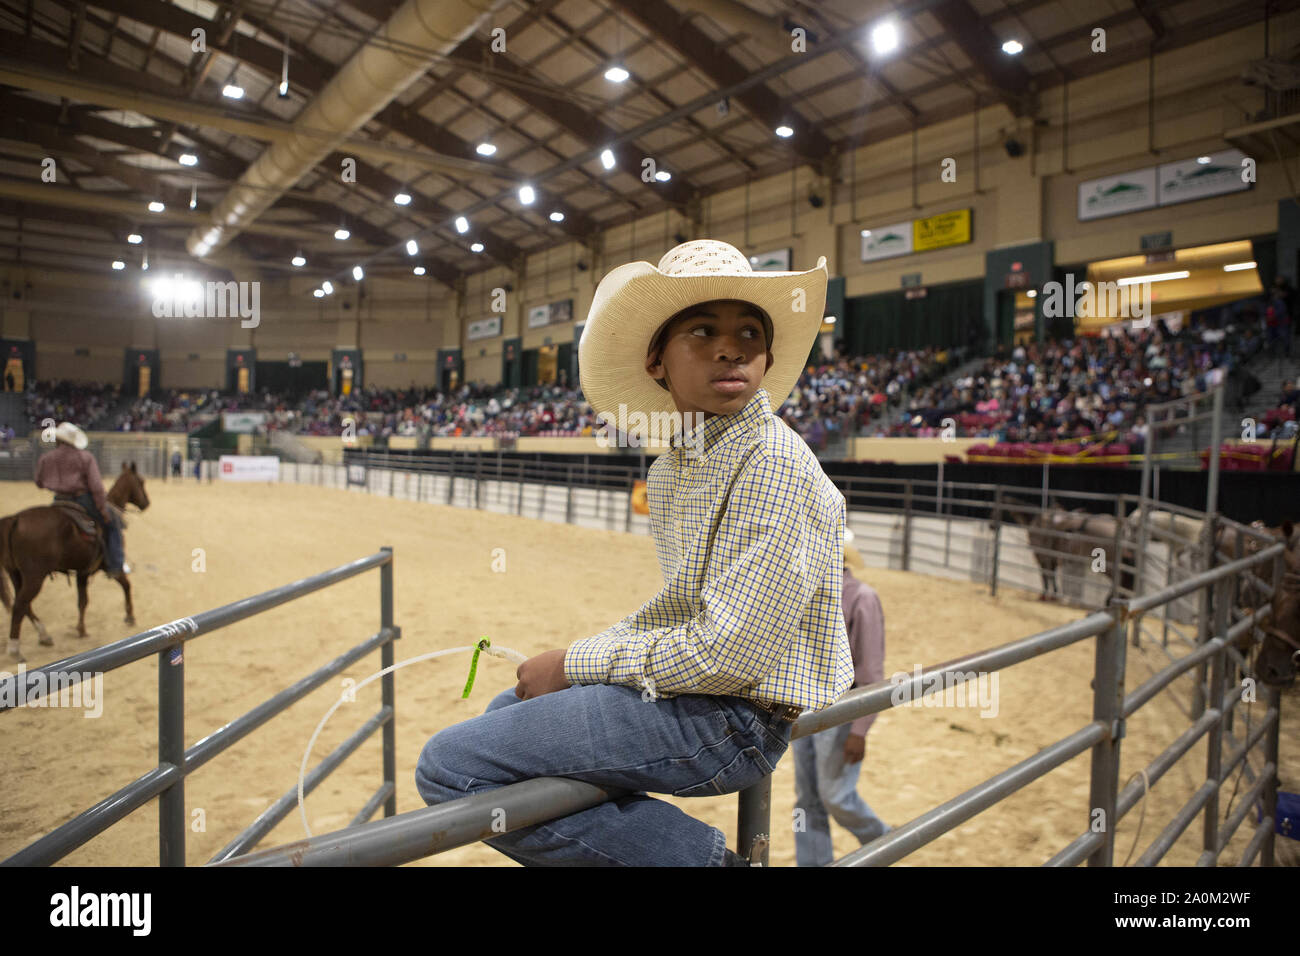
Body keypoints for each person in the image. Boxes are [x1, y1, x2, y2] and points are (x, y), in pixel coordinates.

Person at [415, 239, 853, 866]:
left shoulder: (773, 465)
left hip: (731, 721)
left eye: (749, 332)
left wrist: (577, 664)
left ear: (768, 354)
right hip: (699, 700)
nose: (731, 347)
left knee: (453, 765)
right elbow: (685, 611)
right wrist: (578, 663)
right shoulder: (677, 466)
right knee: (505, 715)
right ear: (657, 361)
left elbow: (726, 656)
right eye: (703, 331)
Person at [792, 528, 889, 866]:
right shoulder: (807, 594)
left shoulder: (862, 598)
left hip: (841, 711)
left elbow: (871, 671)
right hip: (803, 707)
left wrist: (860, 730)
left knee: (836, 797)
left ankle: (884, 840)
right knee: (807, 799)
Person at [33, 422, 126, 577]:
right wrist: (103, 510)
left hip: (58, 500)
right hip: (81, 499)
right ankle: (116, 565)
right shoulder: (85, 457)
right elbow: (96, 487)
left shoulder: (46, 458)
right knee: (113, 522)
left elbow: (39, 482)